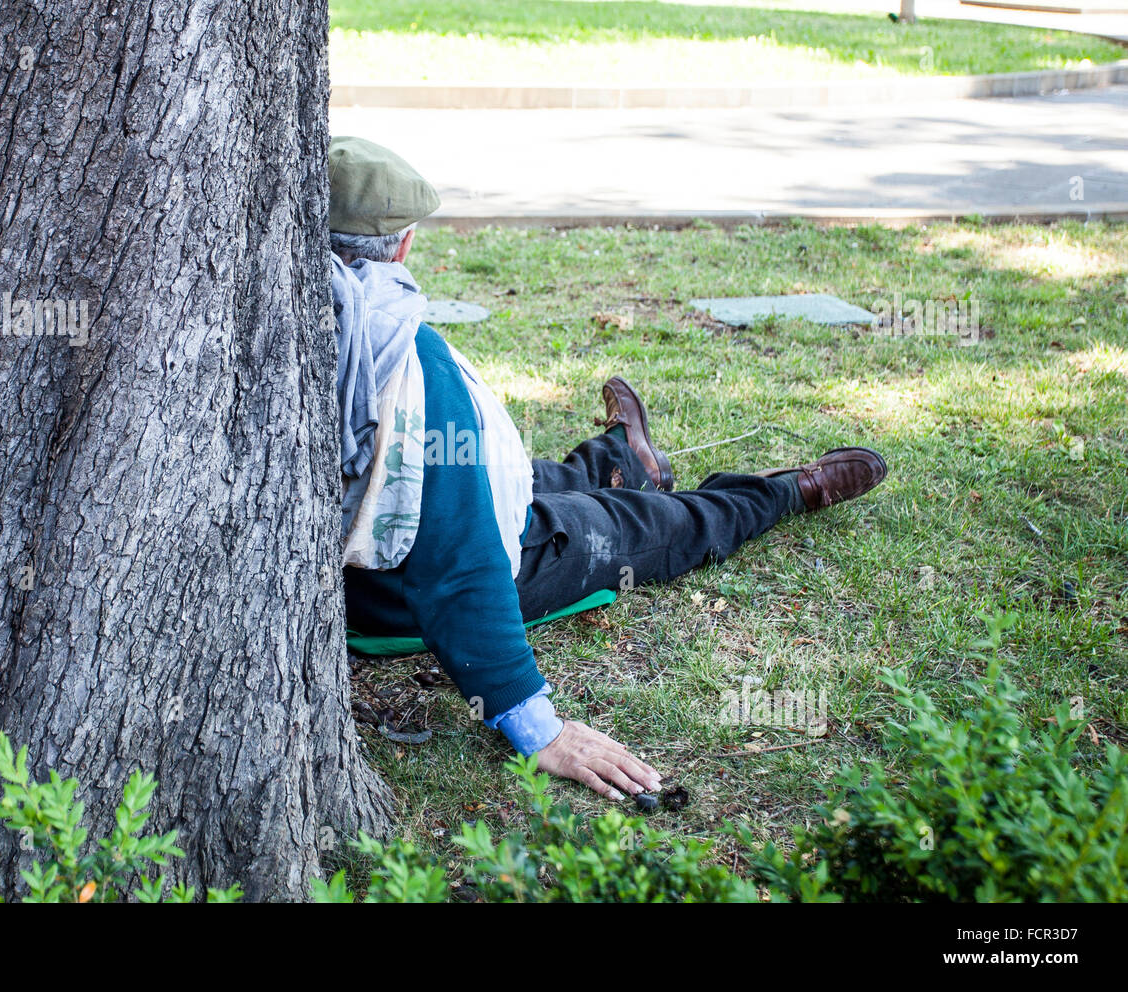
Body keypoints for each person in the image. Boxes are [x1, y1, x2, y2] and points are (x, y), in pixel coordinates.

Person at [330, 136, 887, 801]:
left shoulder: (293, 315)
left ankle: (623, 459)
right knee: (636, 527)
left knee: (538, 475)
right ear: (402, 247)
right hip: (402, 589)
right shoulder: (412, 366)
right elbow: (463, 567)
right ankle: (780, 494)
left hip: (434, 505)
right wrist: (537, 727)